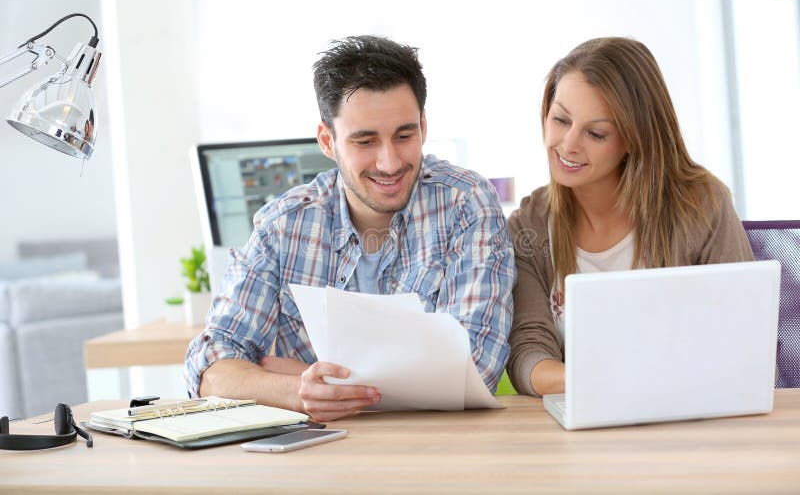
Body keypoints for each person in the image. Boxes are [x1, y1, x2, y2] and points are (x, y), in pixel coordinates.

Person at [185, 35, 516, 421]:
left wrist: (287, 372)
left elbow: (474, 369)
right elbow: (209, 368)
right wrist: (296, 390)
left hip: (437, 446)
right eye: (365, 141)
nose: (389, 162)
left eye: (404, 136)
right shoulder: (283, 226)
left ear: (424, 126)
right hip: (321, 452)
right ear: (328, 141)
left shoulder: (465, 202)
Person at [507, 37, 754, 397]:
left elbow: (743, 336)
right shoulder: (528, 227)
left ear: (634, 138)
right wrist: (608, 384)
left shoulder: (701, 205)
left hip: (689, 409)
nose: (568, 144)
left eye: (596, 133)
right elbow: (529, 354)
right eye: (560, 119)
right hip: (585, 416)